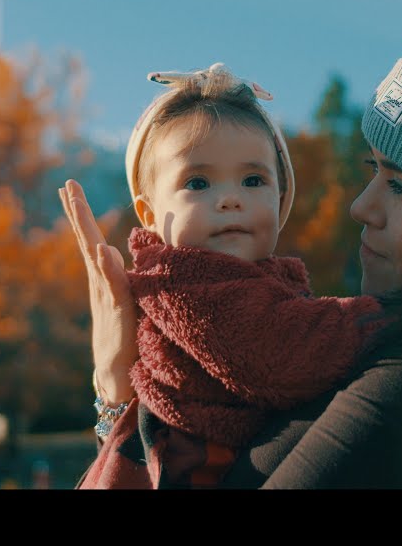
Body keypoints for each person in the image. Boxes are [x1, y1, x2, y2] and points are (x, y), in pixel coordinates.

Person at [61, 16, 402, 488]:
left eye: (400, 186)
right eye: (372, 170)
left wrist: (114, 392)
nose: (360, 206)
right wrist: (116, 389)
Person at [68, 63, 382, 489]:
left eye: (253, 180)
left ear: (281, 199)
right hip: (188, 468)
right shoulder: (183, 282)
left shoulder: (249, 279)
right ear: (150, 214)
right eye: (198, 183)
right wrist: (381, 319)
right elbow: (279, 349)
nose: (231, 199)